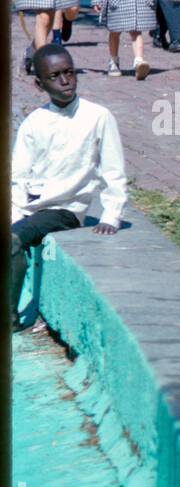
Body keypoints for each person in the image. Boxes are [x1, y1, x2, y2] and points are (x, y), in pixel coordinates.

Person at [11, 45, 127, 331]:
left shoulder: (97, 116)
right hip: (30, 208)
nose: (65, 81)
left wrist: (111, 215)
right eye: (55, 76)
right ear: (39, 84)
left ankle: (10, 318)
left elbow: (113, 170)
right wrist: (15, 214)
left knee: (12, 241)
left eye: (69, 73)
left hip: (64, 209)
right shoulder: (34, 122)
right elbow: (18, 176)